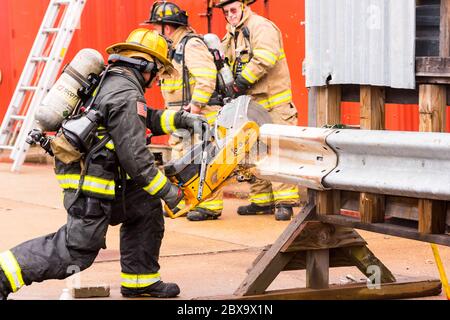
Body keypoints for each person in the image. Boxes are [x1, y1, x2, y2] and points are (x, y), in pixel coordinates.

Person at [0, 28, 208, 300]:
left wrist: (180, 119)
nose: (156, 78)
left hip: (107, 177)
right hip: (93, 184)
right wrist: (171, 193)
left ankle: (140, 281)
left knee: (145, 208)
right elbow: (137, 160)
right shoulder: (126, 92)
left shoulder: (113, 80)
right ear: (146, 64)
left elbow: (137, 120)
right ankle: (3, 275)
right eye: (157, 70)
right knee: (76, 251)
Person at [216, 0, 300, 221]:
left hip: (274, 103)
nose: (230, 15)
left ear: (244, 7)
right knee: (253, 152)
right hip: (250, 105)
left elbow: (265, 58)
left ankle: (285, 202)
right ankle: (261, 201)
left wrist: (240, 82)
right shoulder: (231, 36)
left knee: (278, 151)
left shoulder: (260, 26)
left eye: (233, 10)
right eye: (226, 12)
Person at [143, 1, 224, 222]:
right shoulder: (173, 47)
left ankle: (210, 206)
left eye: (155, 28)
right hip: (180, 116)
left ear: (166, 28)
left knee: (202, 159)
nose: (154, 32)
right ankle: (186, 203)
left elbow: (207, 76)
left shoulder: (191, 45)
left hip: (199, 114)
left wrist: (196, 105)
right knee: (181, 161)